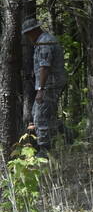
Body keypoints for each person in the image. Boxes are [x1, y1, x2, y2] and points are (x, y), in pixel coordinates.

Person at [22, 18, 66, 151]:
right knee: (43, 115)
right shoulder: (45, 40)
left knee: (40, 116)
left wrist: (41, 89)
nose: (28, 37)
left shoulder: (44, 42)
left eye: (28, 33)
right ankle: (69, 136)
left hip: (49, 86)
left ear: (34, 31)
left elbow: (45, 67)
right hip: (49, 84)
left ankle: (45, 151)